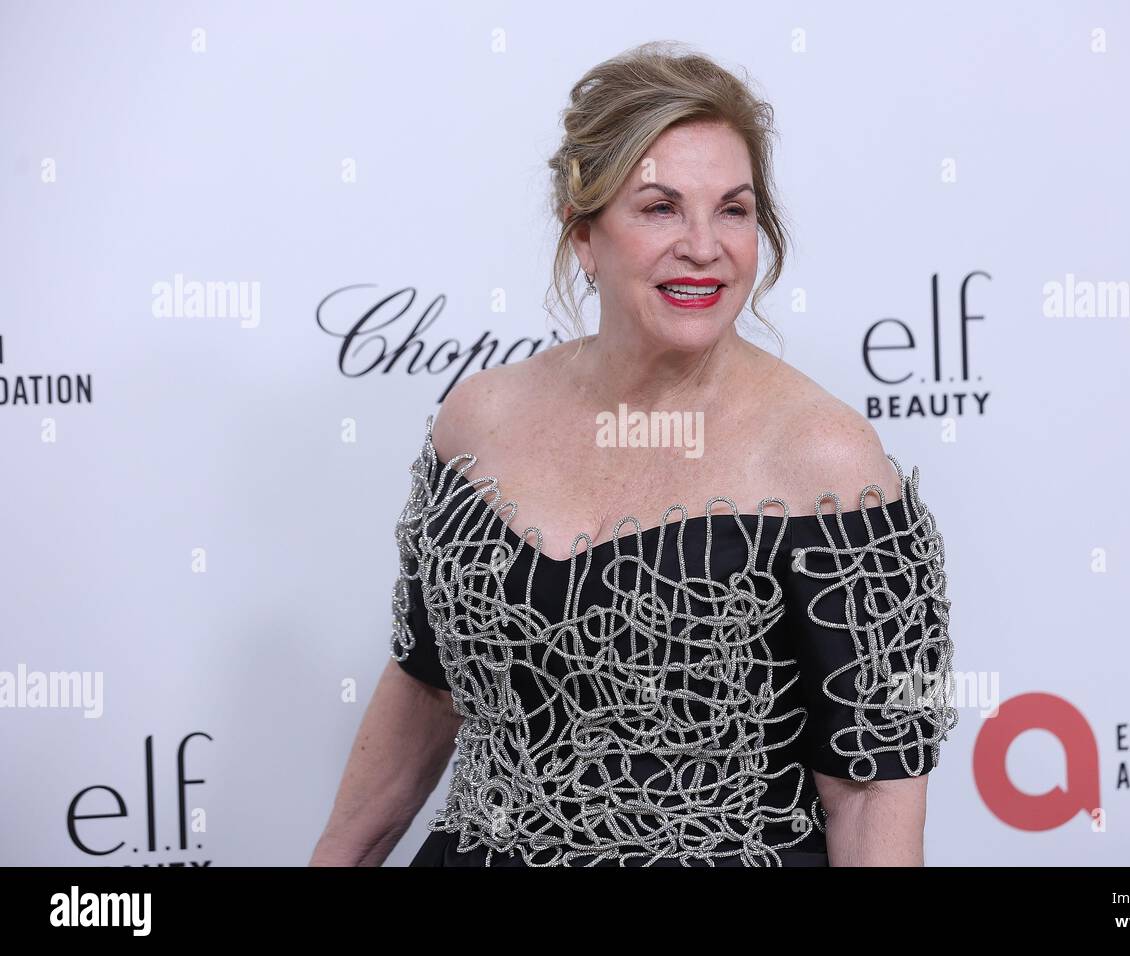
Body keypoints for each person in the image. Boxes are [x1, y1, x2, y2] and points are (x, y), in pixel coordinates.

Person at [310, 40, 957, 868]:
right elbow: (429, 685)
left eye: (734, 208)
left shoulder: (831, 463)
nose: (703, 245)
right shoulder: (478, 421)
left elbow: (874, 789)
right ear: (584, 236)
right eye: (659, 208)